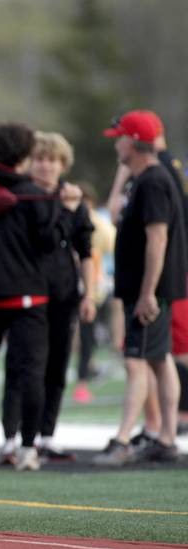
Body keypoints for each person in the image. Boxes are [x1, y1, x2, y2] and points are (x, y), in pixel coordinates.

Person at [0, 123, 77, 471]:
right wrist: (63, 209)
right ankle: (27, 448)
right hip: (29, 299)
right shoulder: (35, 193)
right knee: (31, 375)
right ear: (25, 156)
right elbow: (50, 243)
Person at [93, 110, 186, 465]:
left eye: (120, 137)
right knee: (158, 360)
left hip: (149, 292)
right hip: (144, 289)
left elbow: (158, 239)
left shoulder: (153, 182)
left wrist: (147, 292)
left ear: (132, 141)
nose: (117, 143)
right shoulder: (143, 179)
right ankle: (164, 437)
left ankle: (123, 440)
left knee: (136, 361)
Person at [21, 131, 95, 465]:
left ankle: (47, 435)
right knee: (29, 366)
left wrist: (89, 294)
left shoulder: (73, 198)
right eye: (40, 159)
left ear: (62, 163)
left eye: (52, 160)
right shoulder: (26, 197)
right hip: (31, 290)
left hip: (64, 291)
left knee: (58, 364)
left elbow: (86, 250)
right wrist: (64, 209)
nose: (46, 166)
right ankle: (22, 437)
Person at [74, 183, 117, 404]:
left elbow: (110, 246)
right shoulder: (76, 219)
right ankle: (82, 378)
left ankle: (82, 381)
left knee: (87, 337)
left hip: (89, 288)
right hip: (75, 286)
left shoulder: (97, 224)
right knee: (82, 337)